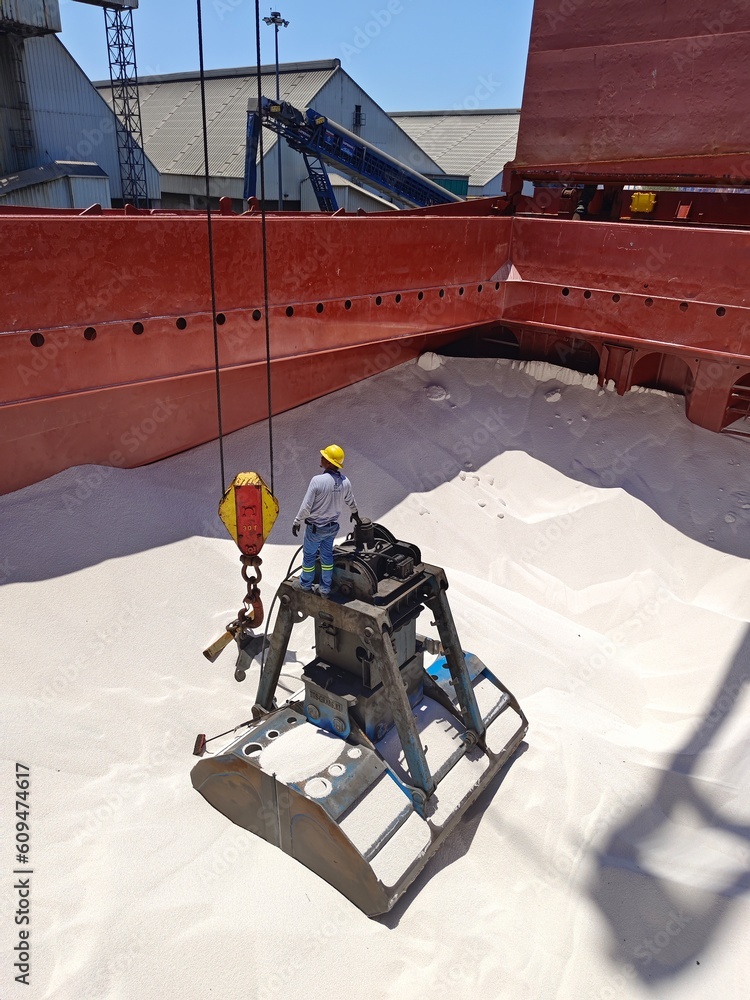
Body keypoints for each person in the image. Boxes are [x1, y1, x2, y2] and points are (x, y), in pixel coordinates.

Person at [292, 444, 360, 595]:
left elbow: (306, 506)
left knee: (309, 557)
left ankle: (305, 584)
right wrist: (355, 513)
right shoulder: (345, 482)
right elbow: (350, 500)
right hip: (331, 528)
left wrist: (297, 521)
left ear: (330, 462)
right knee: (327, 556)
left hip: (315, 529)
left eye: (324, 457)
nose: (321, 458)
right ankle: (325, 588)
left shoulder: (317, 481)